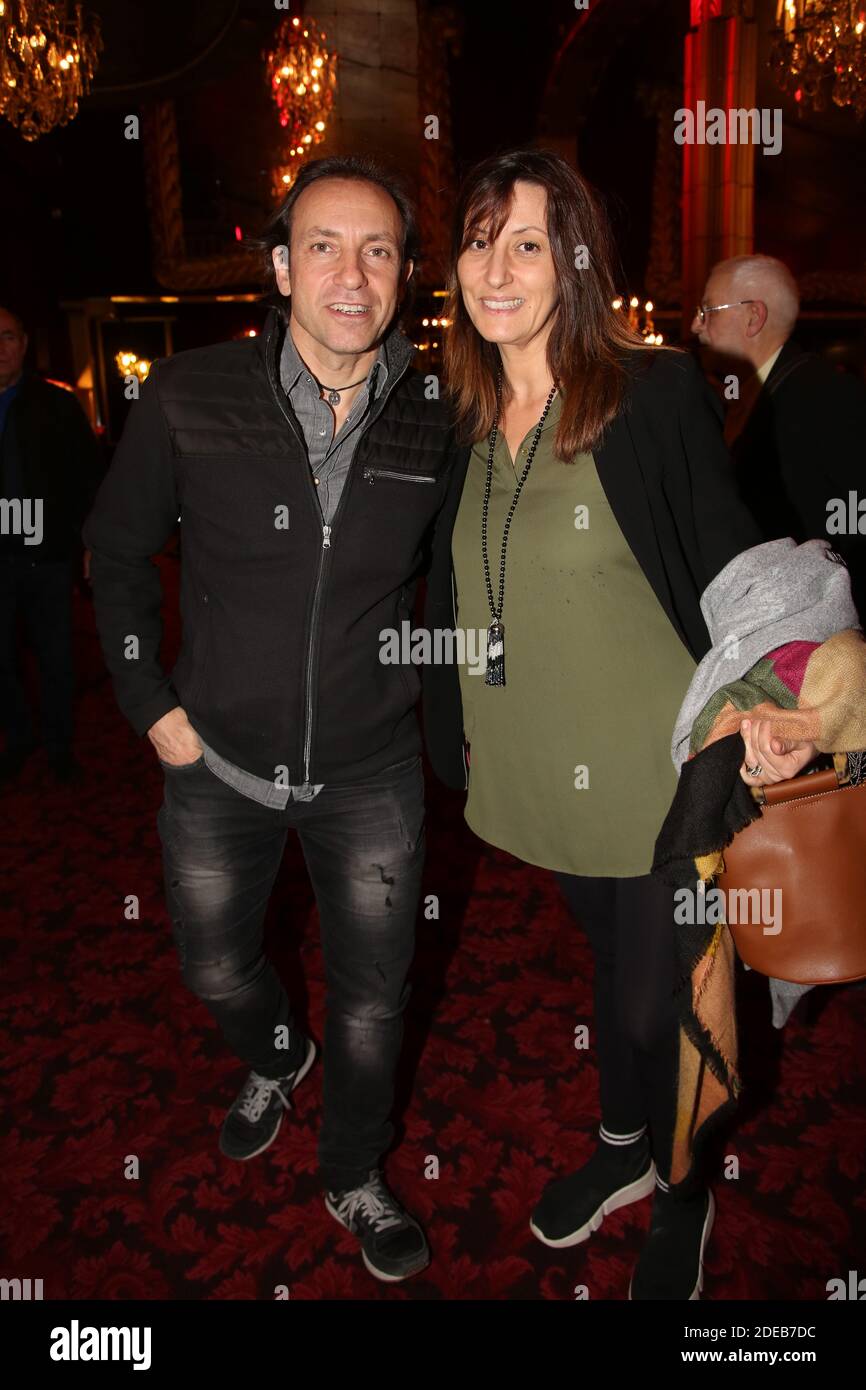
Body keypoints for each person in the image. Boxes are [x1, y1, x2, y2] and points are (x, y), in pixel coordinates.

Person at [422, 149, 821, 1300]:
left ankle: (683, 1185)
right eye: (479, 237)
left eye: (527, 242)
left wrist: (776, 702)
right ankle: (617, 1144)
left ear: (576, 262)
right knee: (609, 965)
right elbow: (447, 587)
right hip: (542, 764)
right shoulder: (461, 410)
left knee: (661, 999)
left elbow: (736, 566)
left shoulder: (646, 397)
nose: (494, 266)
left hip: (662, 768)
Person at [83, 156, 460, 1284]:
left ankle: (353, 1167)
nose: (353, 273)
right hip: (214, 761)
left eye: (380, 249)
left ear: (404, 275)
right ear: (282, 264)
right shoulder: (192, 393)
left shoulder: (439, 414)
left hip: (372, 771)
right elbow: (113, 554)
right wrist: (150, 703)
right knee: (213, 968)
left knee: (372, 1000)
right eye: (326, 246)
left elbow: (455, 586)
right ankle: (272, 1055)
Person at [692, 254, 866, 616]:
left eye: (709, 310)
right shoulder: (748, 394)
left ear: (753, 316)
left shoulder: (823, 393)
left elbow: (858, 512)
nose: (696, 325)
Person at [0, 306, 102, 785]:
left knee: (56, 656)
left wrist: (88, 542)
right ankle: (19, 738)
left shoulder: (55, 403)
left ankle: (59, 746)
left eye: (9, 336)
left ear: (24, 342)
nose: (1, 348)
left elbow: (87, 477)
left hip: (48, 554)